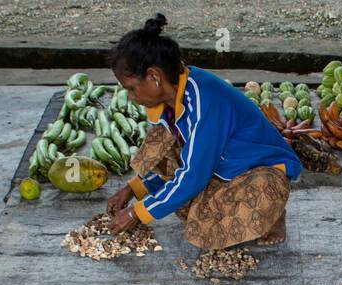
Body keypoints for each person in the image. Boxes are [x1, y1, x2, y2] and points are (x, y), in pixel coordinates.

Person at [105, 14, 301, 248]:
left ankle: (274, 214)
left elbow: (194, 174)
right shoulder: (170, 103)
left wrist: (137, 213)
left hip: (261, 173)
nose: (131, 96)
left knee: (212, 221)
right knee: (164, 149)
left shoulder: (203, 99)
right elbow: (180, 162)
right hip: (222, 168)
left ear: (154, 76)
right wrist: (134, 189)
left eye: (132, 88)